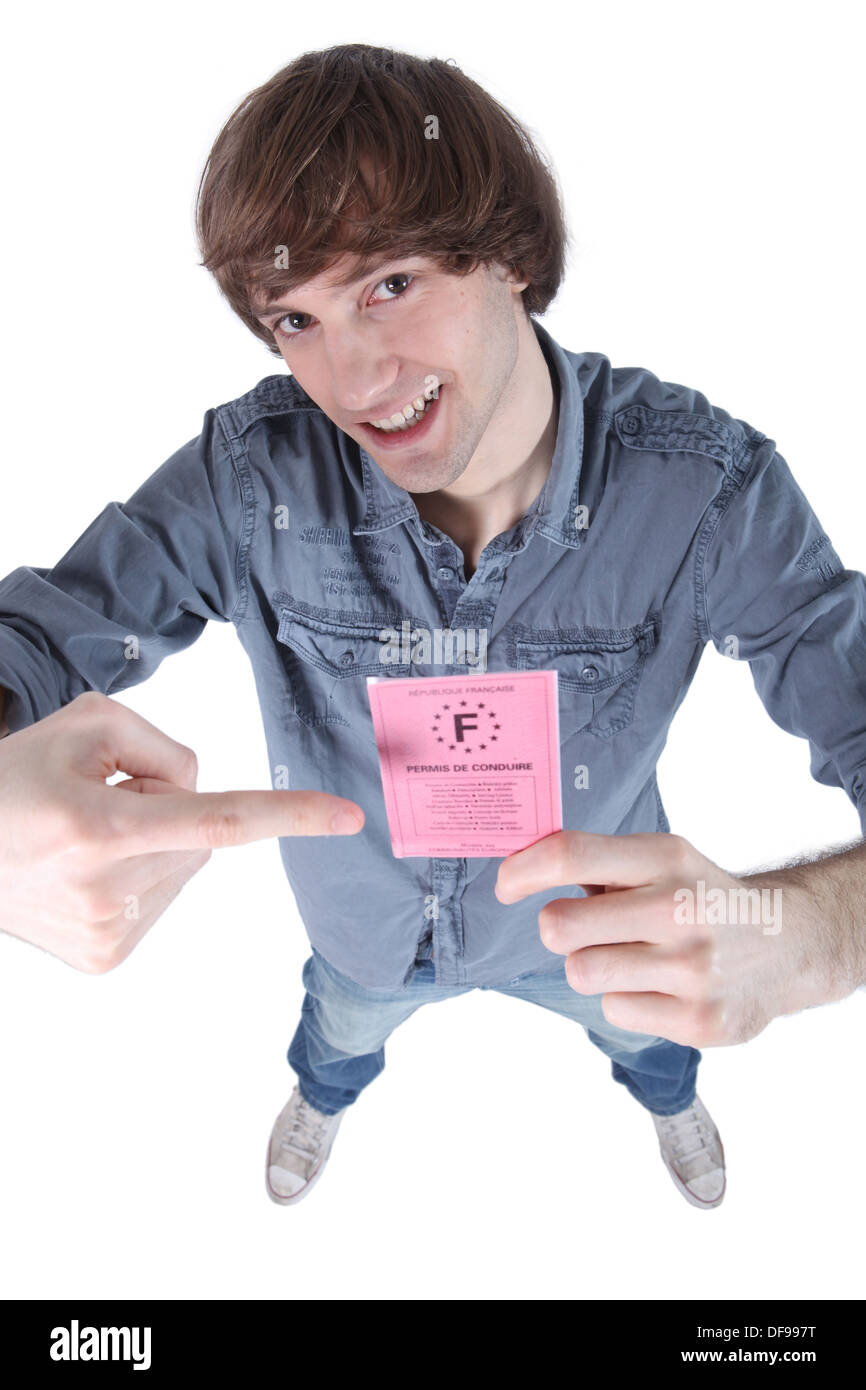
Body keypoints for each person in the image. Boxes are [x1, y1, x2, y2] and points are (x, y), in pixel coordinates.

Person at [1, 44, 865, 1214]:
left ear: (509, 256)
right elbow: (47, 631)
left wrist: (810, 932)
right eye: (294, 318)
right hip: (362, 935)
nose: (351, 376)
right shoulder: (250, 475)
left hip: (590, 941)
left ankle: (669, 1104)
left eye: (389, 284)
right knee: (333, 1040)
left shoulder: (705, 487)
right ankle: (321, 1099)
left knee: (658, 1044)